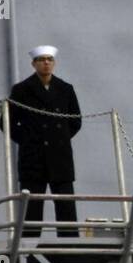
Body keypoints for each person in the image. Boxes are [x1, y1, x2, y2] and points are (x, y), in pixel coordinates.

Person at [7, 46, 82, 237]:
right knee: (32, 208)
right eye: (41, 60)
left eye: (49, 59)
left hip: (60, 156)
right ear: (34, 64)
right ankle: (29, 251)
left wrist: (60, 139)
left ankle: (70, 247)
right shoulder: (21, 90)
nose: (46, 63)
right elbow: (6, 123)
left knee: (66, 207)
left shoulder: (65, 89)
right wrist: (28, 141)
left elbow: (75, 121)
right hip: (33, 158)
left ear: (54, 63)